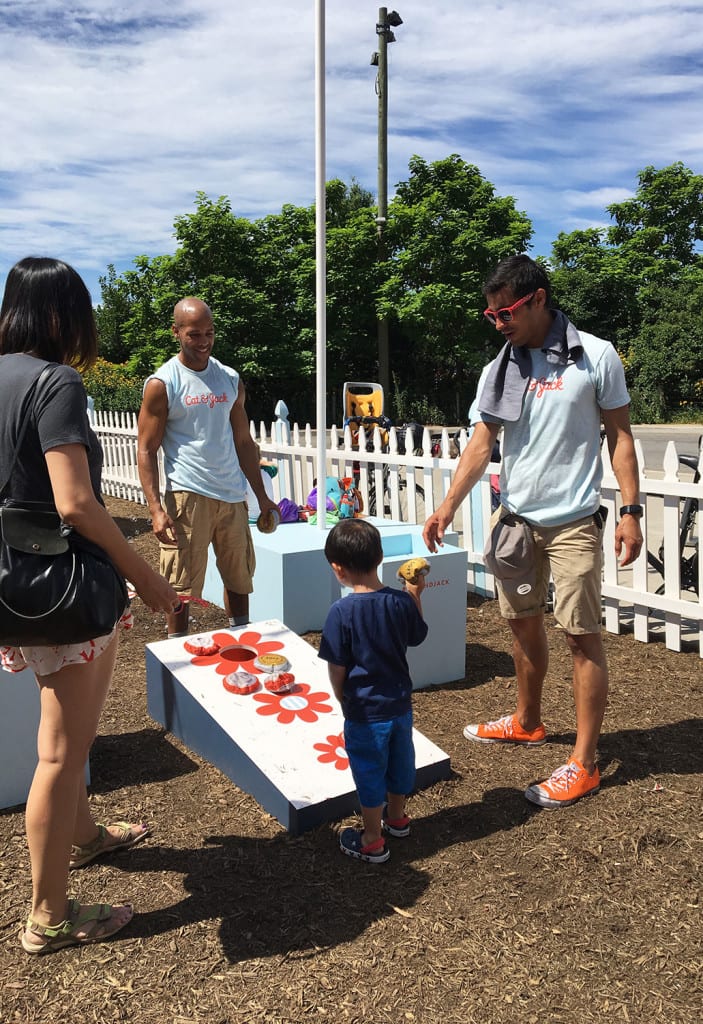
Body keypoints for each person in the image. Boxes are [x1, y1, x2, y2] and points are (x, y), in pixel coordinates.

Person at [0, 257, 179, 954]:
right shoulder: (57, 381)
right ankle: (48, 915)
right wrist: (148, 580)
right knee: (61, 752)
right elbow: (75, 502)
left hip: (12, 583)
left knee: (65, 736)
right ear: (61, 317)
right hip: (62, 589)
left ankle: (86, 837)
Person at [423, 254, 643, 809]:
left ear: (539, 298)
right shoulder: (502, 366)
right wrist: (448, 504)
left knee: (580, 637)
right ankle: (527, 721)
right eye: (491, 315)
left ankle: (585, 763)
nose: (499, 324)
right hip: (515, 523)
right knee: (521, 625)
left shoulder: (594, 356)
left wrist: (631, 510)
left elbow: (620, 437)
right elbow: (482, 442)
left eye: (507, 313)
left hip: (572, 523)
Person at [137, 298, 280, 636]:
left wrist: (262, 498)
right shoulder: (163, 383)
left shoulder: (229, 379)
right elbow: (146, 449)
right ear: (176, 332)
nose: (203, 342)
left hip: (231, 494)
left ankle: (240, 640)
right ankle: (177, 654)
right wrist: (156, 509)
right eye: (194, 335)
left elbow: (244, 443)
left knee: (239, 577)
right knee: (182, 587)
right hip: (187, 495)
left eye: (209, 334)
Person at [318, 519, 428, 863]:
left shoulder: (341, 612)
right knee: (400, 762)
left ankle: (371, 839)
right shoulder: (400, 602)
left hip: (365, 712)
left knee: (369, 770)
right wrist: (414, 594)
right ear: (380, 557)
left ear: (338, 569)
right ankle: (396, 818)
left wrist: (341, 696)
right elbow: (417, 636)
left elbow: (337, 666)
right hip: (400, 705)